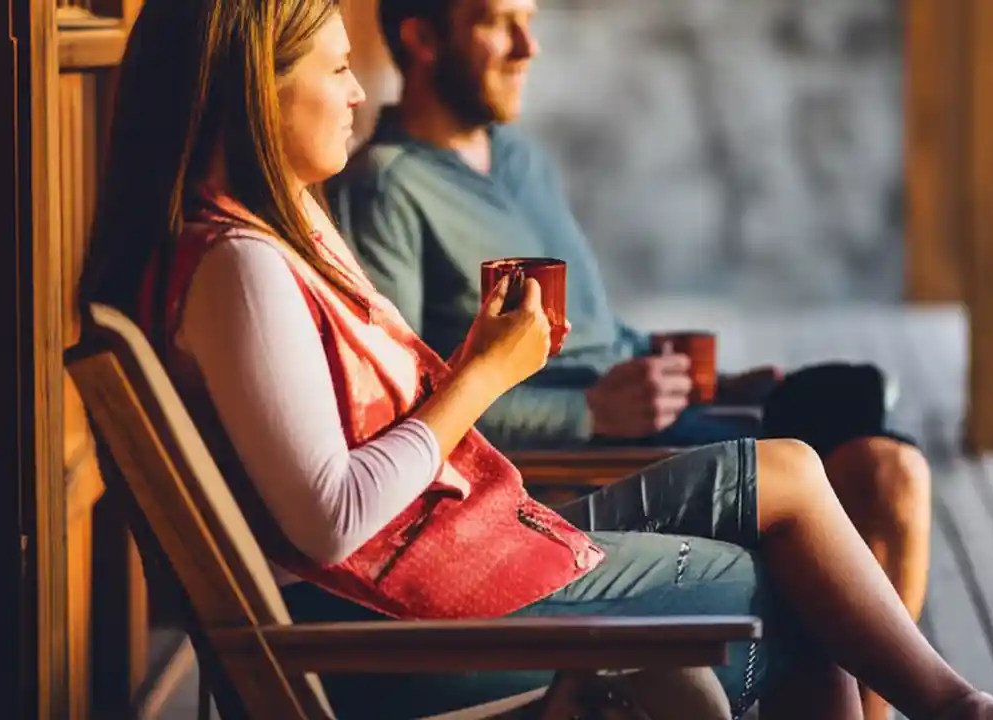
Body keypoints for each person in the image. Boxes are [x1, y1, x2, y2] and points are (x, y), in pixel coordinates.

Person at [79, 1, 993, 718]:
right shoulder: (239, 268)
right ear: (258, 86)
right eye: (335, 71)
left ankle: (958, 707)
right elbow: (329, 520)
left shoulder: (265, 238)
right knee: (802, 596)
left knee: (787, 472)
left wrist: (482, 371)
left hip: (457, 550)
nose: (358, 92)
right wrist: (483, 377)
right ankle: (960, 710)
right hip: (402, 614)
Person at [328, 3, 931, 715]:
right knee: (860, 492)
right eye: (499, 23)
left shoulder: (523, 161)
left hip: (658, 416)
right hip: (593, 452)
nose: (529, 46)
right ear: (421, 38)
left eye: (531, 17)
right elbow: (412, 408)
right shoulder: (384, 190)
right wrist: (588, 413)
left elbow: (598, 327)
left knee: (887, 467)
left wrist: (703, 375)